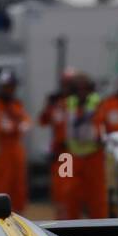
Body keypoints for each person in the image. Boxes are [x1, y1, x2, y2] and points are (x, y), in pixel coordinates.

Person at [0, 68, 31, 212]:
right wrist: (14, 126)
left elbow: (26, 123)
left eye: (12, 86)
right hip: (1, 150)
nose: (10, 90)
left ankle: (20, 214)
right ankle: (0, 215)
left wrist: (15, 125)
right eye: (7, 87)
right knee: (1, 185)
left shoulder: (17, 104)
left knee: (19, 186)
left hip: (15, 149)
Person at [64, 73, 106, 218]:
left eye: (85, 89)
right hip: (69, 156)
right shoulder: (68, 103)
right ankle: (69, 226)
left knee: (97, 194)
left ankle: (99, 226)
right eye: (78, 89)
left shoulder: (97, 103)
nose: (81, 92)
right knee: (69, 193)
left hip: (94, 155)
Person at [39, 68, 76, 218]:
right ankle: (63, 216)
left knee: (69, 188)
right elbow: (43, 120)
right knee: (61, 188)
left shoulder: (75, 103)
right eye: (65, 83)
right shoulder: (57, 103)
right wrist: (49, 105)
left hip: (72, 151)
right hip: (61, 152)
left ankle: (69, 215)